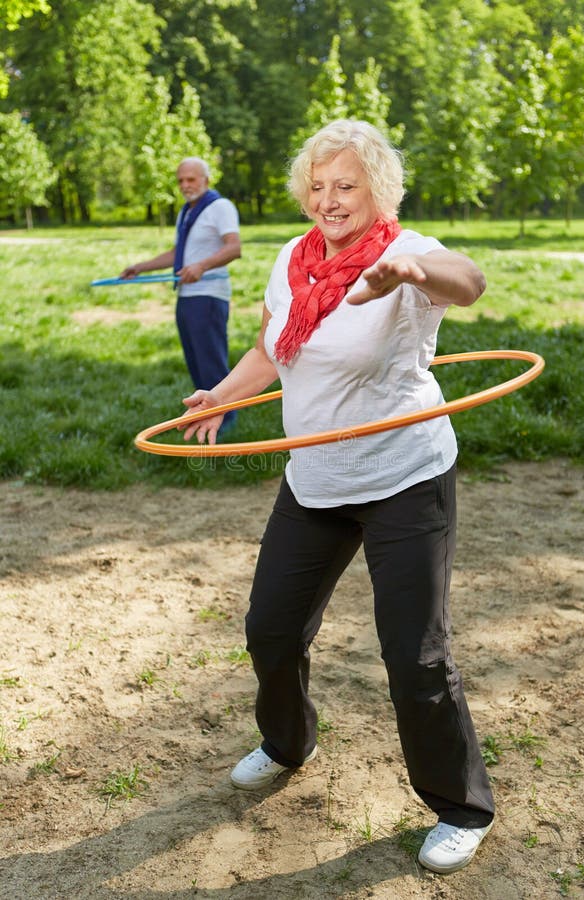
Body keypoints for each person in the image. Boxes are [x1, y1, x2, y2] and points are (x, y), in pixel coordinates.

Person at [179, 120, 495, 875]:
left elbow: (471, 282)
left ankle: (461, 806)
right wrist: (220, 396)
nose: (329, 199)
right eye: (318, 186)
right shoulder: (291, 259)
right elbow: (269, 348)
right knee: (270, 632)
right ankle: (289, 742)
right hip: (315, 479)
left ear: (377, 188)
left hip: (403, 479)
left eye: (345, 184)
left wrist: (410, 275)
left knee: (415, 655)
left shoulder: (404, 250)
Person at [120, 157, 241, 429]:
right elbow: (178, 254)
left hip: (208, 296)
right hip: (186, 296)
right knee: (196, 363)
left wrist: (202, 265)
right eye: (181, 180)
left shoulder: (220, 207)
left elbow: (234, 247)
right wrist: (141, 267)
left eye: (191, 179)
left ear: (206, 180)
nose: (186, 185)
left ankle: (226, 421)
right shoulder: (186, 212)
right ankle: (205, 416)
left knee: (211, 363)